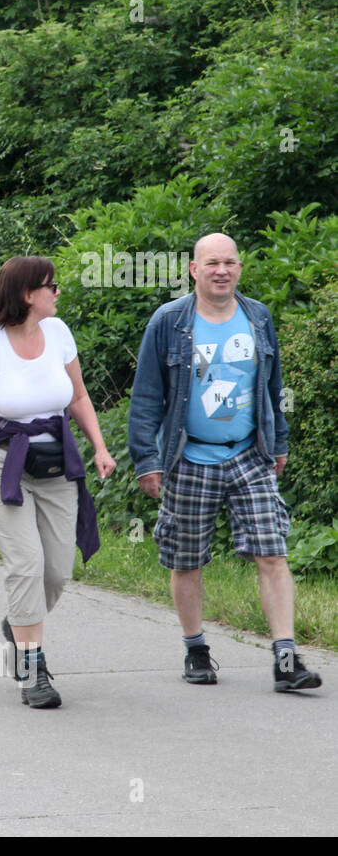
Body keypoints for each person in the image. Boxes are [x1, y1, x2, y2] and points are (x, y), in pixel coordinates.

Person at [128, 232, 321, 692]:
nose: (222, 271)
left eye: (230, 262)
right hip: (189, 455)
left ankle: (286, 659)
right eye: (212, 263)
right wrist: (146, 460)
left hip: (249, 454)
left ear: (239, 268)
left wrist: (279, 443)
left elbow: (272, 389)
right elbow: (147, 396)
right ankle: (196, 650)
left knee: (272, 550)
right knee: (186, 557)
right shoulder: (169, 321)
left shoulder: (257, 317)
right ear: (194, 269)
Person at [0, 256, 115, 709]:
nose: (58, 292)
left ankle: (18, 623)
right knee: (26, 565)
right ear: (26, 295)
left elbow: (78, 395)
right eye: (51, 286)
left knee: (56, 570)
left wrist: (99, 446)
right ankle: (31, 668)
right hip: (2, 467)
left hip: (56, 465)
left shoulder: (58, 334)